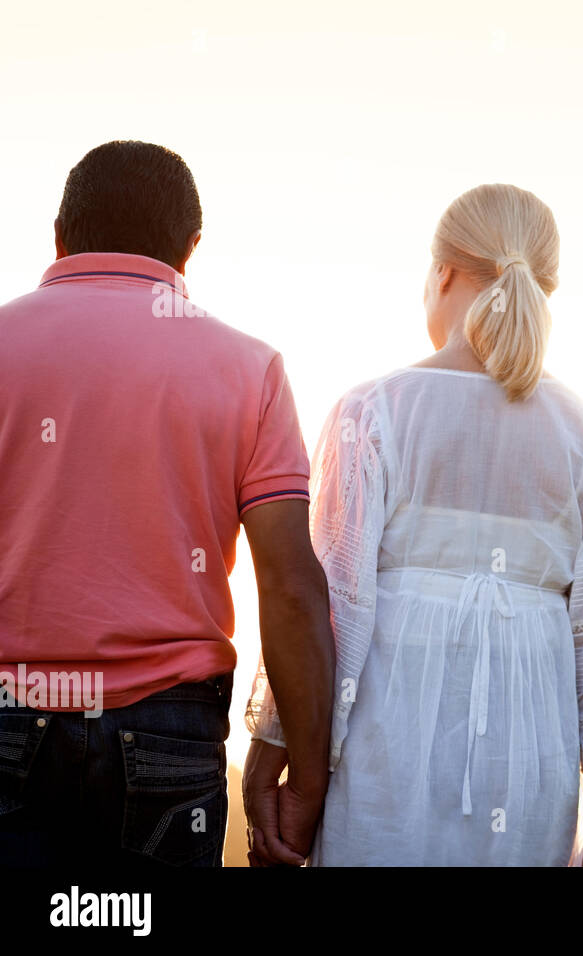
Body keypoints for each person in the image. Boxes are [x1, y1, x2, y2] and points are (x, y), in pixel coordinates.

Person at [246, 183, 583, 865]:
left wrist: (273, 761)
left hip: (384, 758)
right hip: (531, 770)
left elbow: (334, 610)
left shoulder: (373, 412)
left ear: (441, 274)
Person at [0, 141, 335, 867]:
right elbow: (289, 587)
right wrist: (306, 781)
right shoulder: (252, 369)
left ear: (59, 236)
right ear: (191, 248)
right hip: (168, 733)